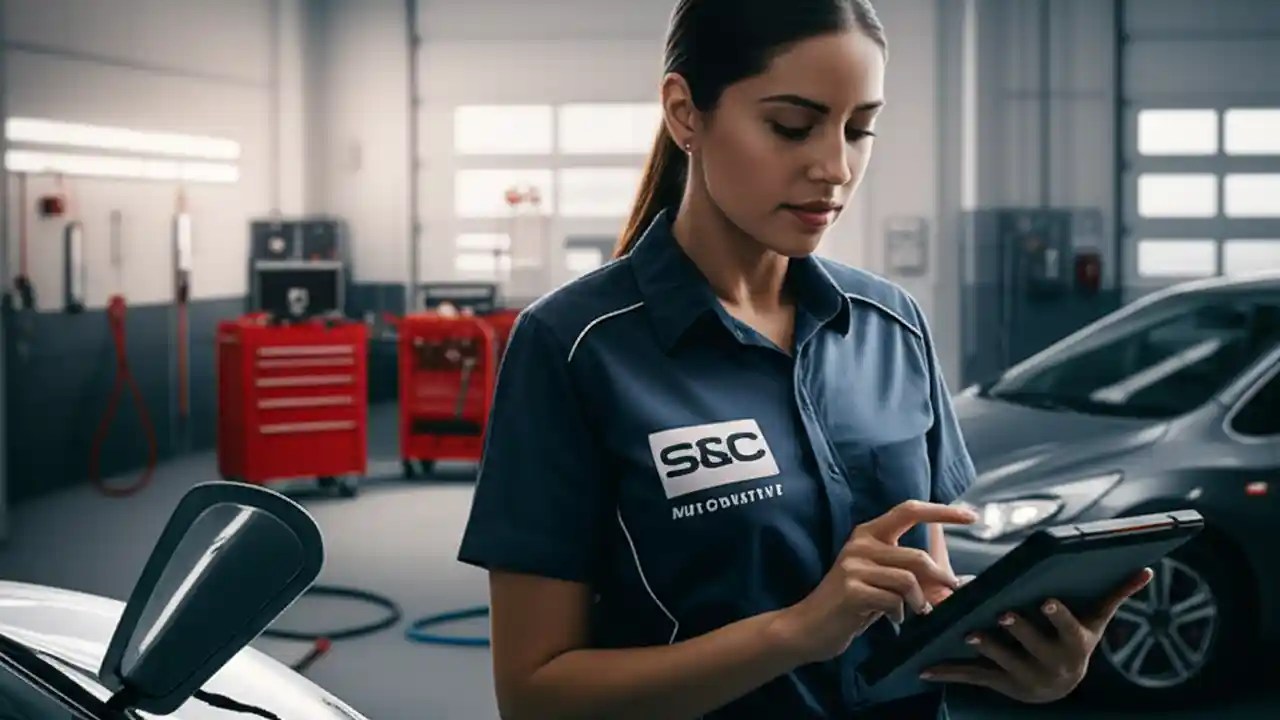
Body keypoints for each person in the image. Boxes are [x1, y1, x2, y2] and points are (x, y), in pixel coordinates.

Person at [457, 1, 1154, 717]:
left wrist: (1029, 664)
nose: (835, 167)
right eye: (792, 126)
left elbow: (928, 592)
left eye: (859, 129)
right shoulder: (573, 347)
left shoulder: (892, 326)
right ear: (685, 113)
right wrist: (795, 633)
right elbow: (534, 698)